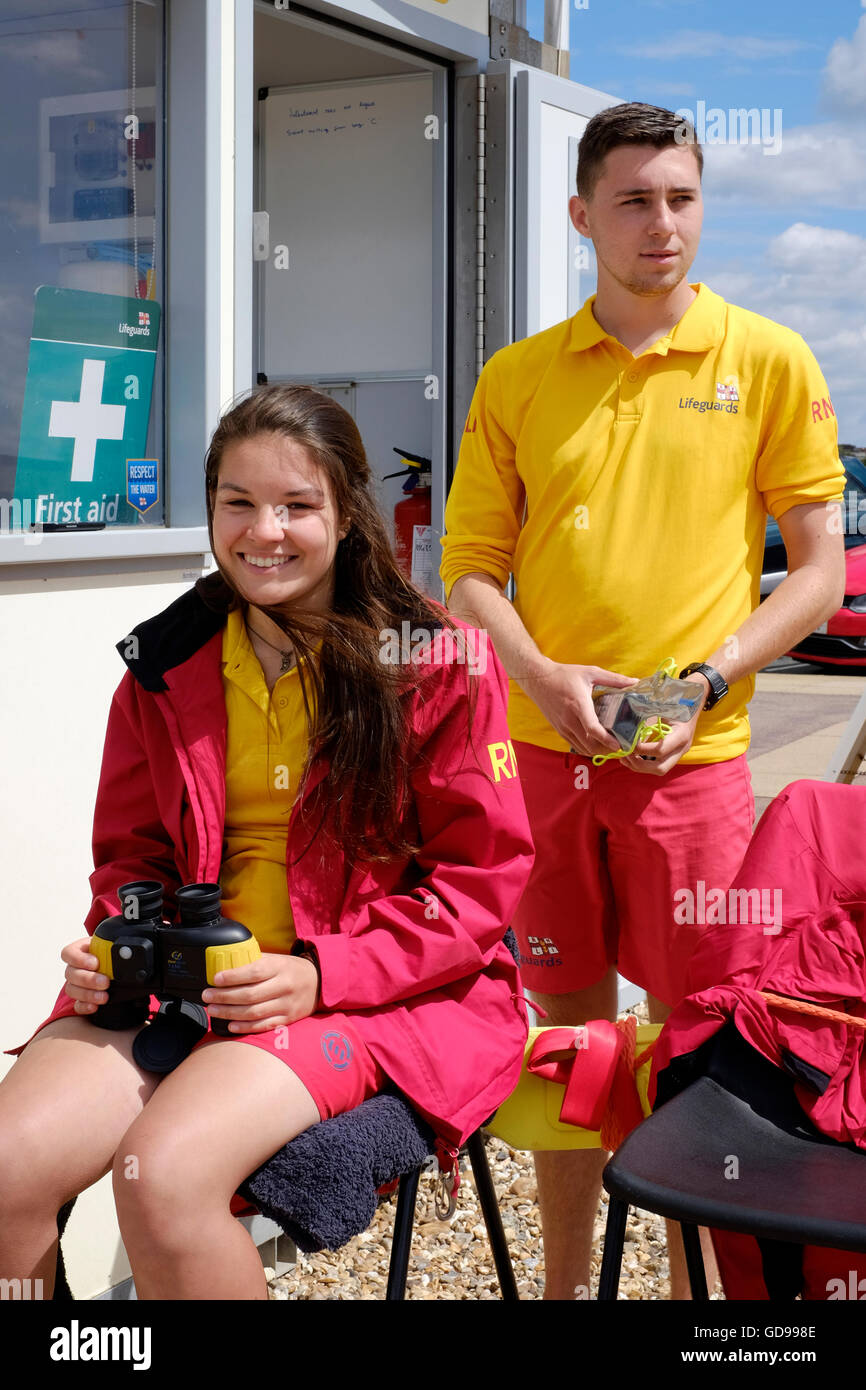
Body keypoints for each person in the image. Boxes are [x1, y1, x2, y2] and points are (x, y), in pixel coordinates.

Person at [0, 384, 534, 1301]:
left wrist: (326, 974)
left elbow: (483, 887)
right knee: (7, 1170)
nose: (264, 531)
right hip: (183, 990)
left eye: (297, 505)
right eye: (237, 503)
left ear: (348, 512)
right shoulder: (163, 668)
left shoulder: (436, 661)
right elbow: (132, 861)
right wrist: (114, 948)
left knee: (159, 1179)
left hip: (373, 1000)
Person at [439, 101, 846, 1300]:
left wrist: (706, 678)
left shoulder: (767, 358)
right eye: (631, 199)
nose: (659, 223)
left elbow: (816, 574)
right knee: (565, 1054)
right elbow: (465, 570)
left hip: (694, 768)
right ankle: (564, 1293)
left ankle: (689, 1307)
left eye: (679, 197)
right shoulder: (516, 377)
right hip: (539, 762)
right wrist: (542, 676)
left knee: (695, 1059)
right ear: (580, 216)